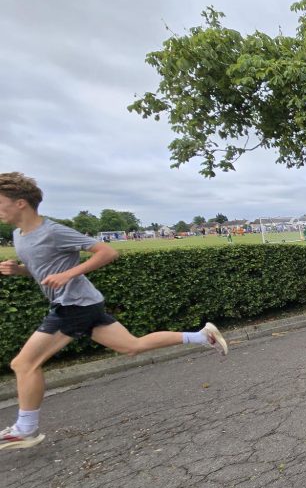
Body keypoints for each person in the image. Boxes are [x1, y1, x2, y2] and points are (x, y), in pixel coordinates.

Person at [0, 173, 228, 451]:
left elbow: (106, 252)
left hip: (74, 305)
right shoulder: (18, 236)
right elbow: (45, 272)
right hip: (82, 303)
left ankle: (25, 429)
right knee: (132, 346)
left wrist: (69, 274)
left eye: (1, 203)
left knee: (24, 364)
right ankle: (202, 337)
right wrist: (21, 270)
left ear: (21, 203)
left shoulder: (53, 231)